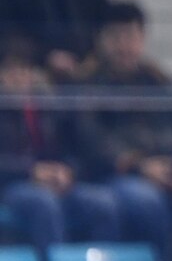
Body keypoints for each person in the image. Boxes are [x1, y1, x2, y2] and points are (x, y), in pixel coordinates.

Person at [69, 0, 172, 247]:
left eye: (131, 36)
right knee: (145, 199)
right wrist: (140, 166)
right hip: (113, 176)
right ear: (102, 40)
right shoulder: (87, 85)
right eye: (116, 37)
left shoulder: (162, 83)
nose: (125, 46)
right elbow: (92, 143)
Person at [0, 36, 121, 246]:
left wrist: (66, 171)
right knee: (43, 204)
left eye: (25, 70)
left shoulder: (48, 106)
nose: (19, 77)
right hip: (12, 185)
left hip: (51, 181)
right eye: (11, 71)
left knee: (102, 203)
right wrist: (32, 172)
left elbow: (72, 147)